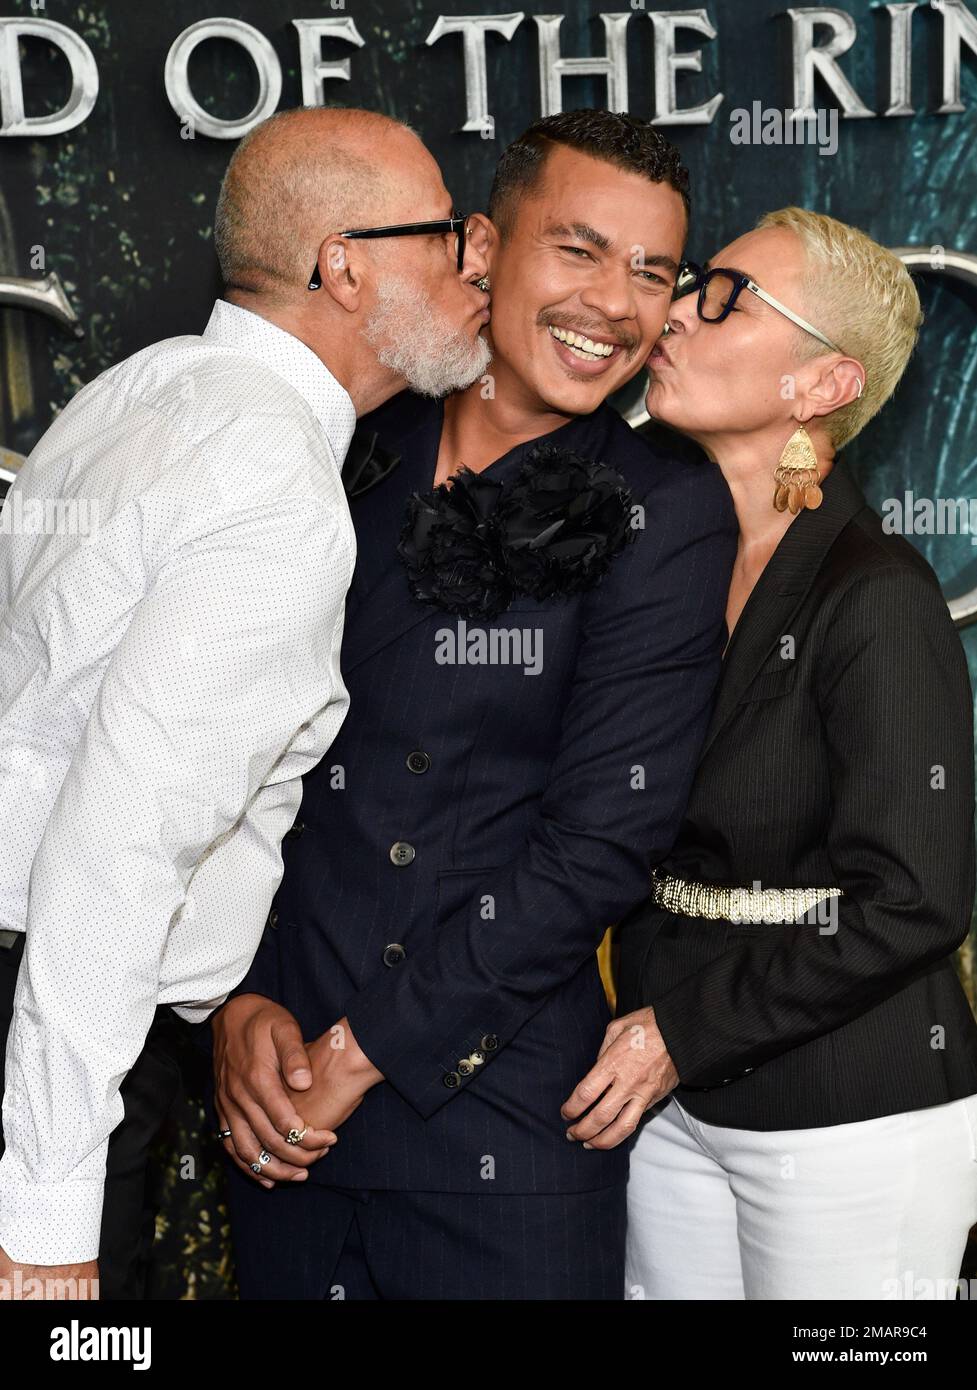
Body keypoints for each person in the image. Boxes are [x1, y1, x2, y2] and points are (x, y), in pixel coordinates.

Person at [210, 109, 738, 1300]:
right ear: (482, 251)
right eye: (579, 250)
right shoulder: (340, 445)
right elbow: (221, 757)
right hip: (276, 1112)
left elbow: (597, 849)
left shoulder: (665, 508)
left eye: (652, 272)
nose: (614, 302)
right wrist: (232, 993)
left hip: (490, 1131)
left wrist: (361, 1053)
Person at [0, 104, 490, 1301]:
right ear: (343, 263)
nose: (477, 262)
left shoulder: (142, 390)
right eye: (445, 234)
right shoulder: (273, 481)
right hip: (58, 1037)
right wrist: (51, 1214)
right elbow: (118, 845)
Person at [563, 207, 977, 1300]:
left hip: (849, 1116)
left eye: (724, 296)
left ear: (820, 387)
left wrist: (676, 1034)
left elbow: (912, 898)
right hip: (669, 1103)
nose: (677, 312)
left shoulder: (876, 593)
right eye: (693, 279)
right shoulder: (663, 567)